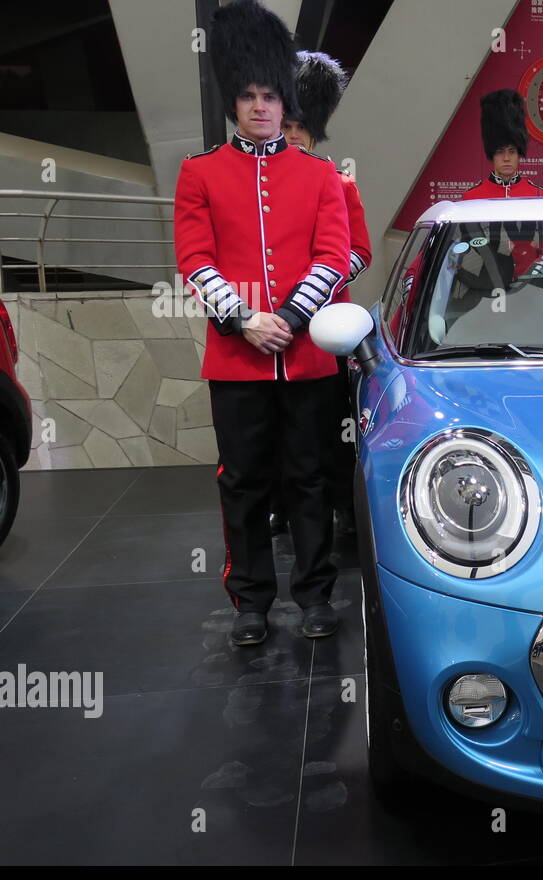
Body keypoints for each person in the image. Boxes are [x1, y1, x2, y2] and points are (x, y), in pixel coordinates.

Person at [174, 0, 349, 646]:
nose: (259, 107)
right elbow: (194, 260)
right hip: (238, 356)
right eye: (247, 95)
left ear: (285, 101)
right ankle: (250, 599)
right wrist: (247, 319)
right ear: (234, 101)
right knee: (243, 483)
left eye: (269, 95)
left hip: (305, 356)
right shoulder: (199, 174)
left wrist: (292, 316)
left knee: (308, 479)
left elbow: (333, 254)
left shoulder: (320, 175)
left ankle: (314, 594)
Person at [281, 49, 372, 538]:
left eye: (302, 128)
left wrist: (325, 281)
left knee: (333, 424)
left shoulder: (339, 183)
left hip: (329, 323)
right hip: (277, 319)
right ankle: (283, 503)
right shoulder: (267, 187)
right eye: (288, 126)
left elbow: (359, 251)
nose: (294, 135)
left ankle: (341, 505)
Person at [462, 90, 543, 278]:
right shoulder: (471, 197)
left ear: (519, 154)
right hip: (486, 281)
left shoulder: (538, 194)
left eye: (512, 151)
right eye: (500, 152)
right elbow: (463, 244)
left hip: (529, 282)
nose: (506, 158)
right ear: (492, 155)